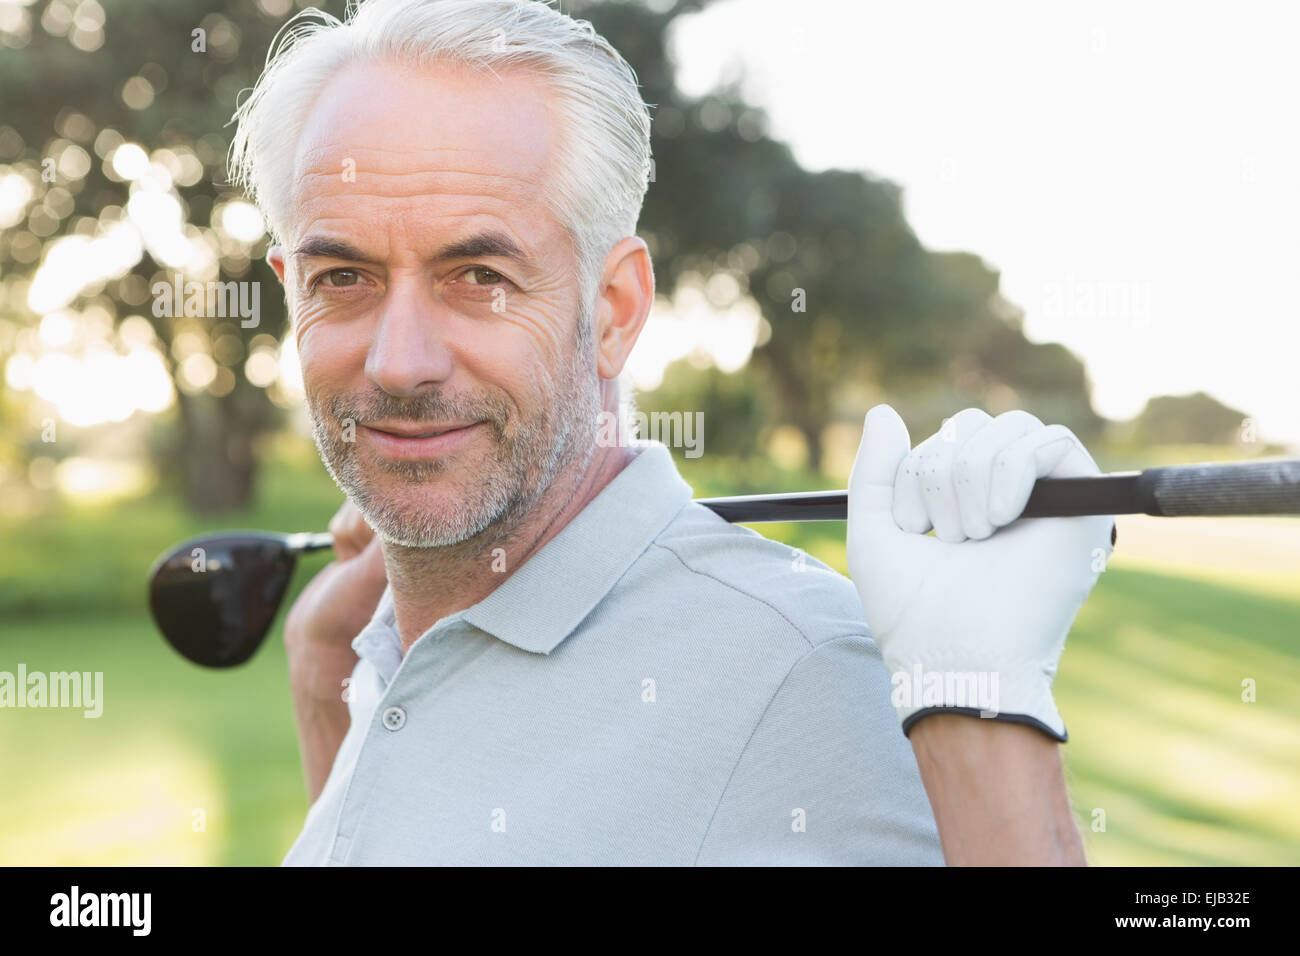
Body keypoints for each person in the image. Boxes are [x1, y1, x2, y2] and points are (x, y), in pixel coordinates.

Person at [231, 0, 1112, 865]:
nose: (398, 362)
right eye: (342, 275)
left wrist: (979, 699)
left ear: (614, 309)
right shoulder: (377, 646)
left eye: (480, 276)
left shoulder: (807, 677)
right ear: (289, 290)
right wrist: (324, 676)